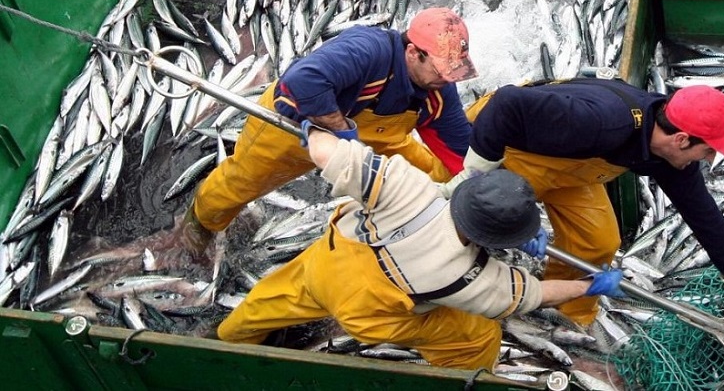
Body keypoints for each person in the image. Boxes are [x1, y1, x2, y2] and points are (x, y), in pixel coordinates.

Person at [217, 123, 624, 370]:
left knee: (267, 302)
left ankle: (226, 342)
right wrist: (588, 286)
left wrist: (314, 129)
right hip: (368, 314)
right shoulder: (470, 278)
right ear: (495, 241)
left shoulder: (405, 185)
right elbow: (531, 295)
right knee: (478, 336)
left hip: (324, 266)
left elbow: (331, 154)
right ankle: (456, 379)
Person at [441, 80, 724, 327]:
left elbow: (706, 219)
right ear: (683, 139)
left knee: (599, 242)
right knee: (463, 232)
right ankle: (452, 301)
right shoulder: (602, 121)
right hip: (502, 144)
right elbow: (507, 103)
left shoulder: (669, 156)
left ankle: (562, 317)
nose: (711, 158)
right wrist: (474, 175)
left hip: (566, 169)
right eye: (709, 149)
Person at [180, 7, 478, 252]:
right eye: (441, 71)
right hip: (291, 126)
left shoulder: (439, 91)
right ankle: (198, 225)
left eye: (454, 72)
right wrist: (342, 133)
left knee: (431, 173)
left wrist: (480, 190)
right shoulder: (367, 50)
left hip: (373, 137)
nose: (448, 80)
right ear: (413, 53)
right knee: (239, 184)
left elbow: (459, 151)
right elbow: (300, 82)